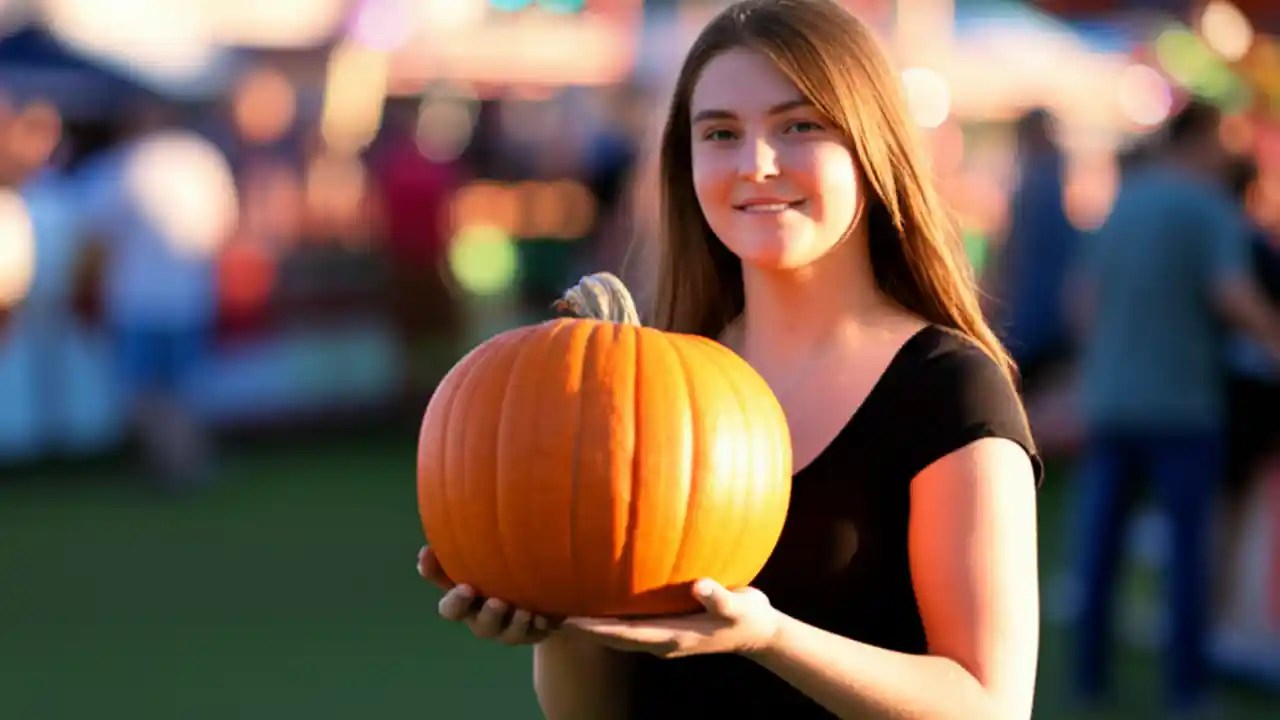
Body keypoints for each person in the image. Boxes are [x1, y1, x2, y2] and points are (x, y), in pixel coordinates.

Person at [418, 1, 1042, 717]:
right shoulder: (646, 388)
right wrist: (556, 625)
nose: (756, 164)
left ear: (874, 147)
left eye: (799, 125)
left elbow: (990, 706)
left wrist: (769, 637)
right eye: (720, 133)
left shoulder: (949, 389)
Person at [1067, 102, 1280, 716]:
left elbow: (1081, 301)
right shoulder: (1209, 208)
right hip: (1183, 402)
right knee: (1189, 555)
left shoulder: (1124, 202)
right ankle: (1186, 687)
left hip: (1112, 397)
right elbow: (1233, 296)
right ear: (1203, 138)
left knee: (1098, 548)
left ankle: (1088, 677)